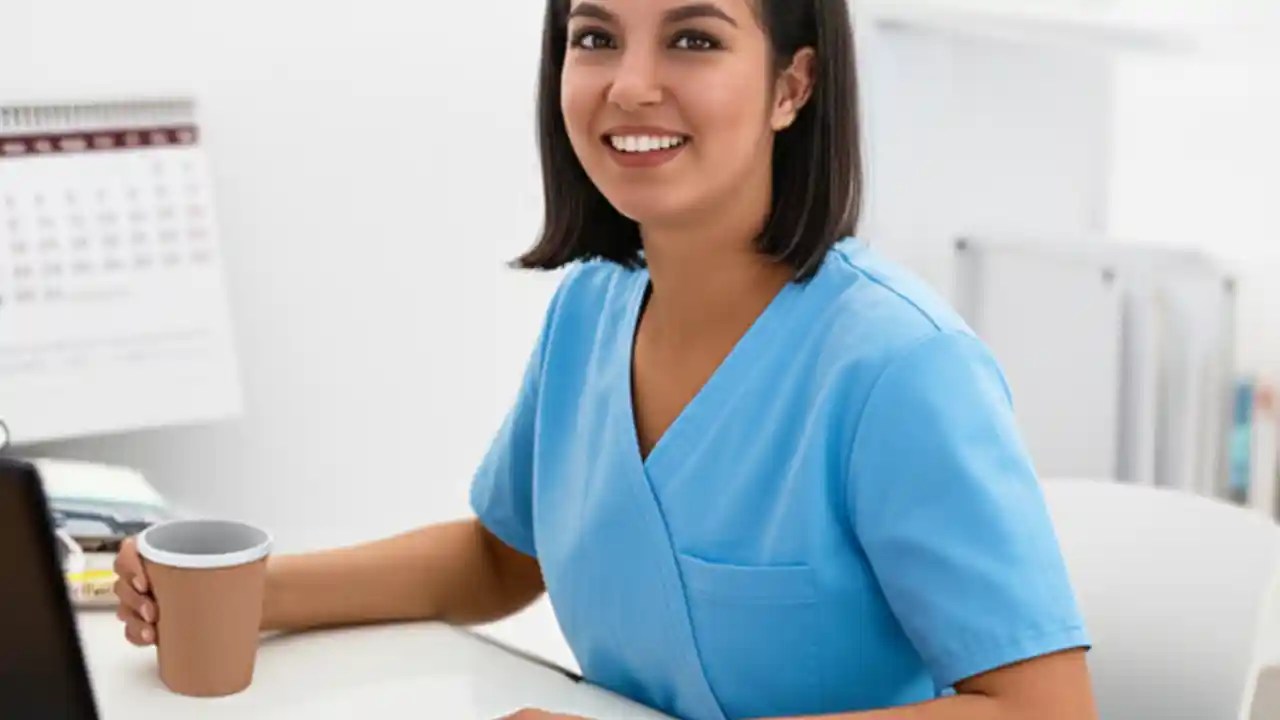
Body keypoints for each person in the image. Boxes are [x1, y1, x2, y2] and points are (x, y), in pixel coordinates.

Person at [114, 1, 1098, 718]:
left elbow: (1043, 709)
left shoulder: (900, 367)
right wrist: (242, 594)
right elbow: (503, 555)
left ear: (791, 87)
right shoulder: (590, 309)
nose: (629, 84)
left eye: (693, 39)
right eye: (594, 38)